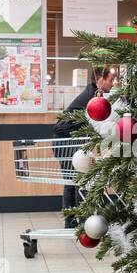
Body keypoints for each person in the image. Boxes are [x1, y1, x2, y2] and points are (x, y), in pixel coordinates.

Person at [54, 66, 116, 227]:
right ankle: (74, 223)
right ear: (100, 80)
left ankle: (76, 222)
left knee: (76, 181)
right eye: (111, 80)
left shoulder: (96, 95)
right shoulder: (92, 97)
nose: (113, 83)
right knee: (75, 181)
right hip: (65, 140)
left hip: (72, 141)